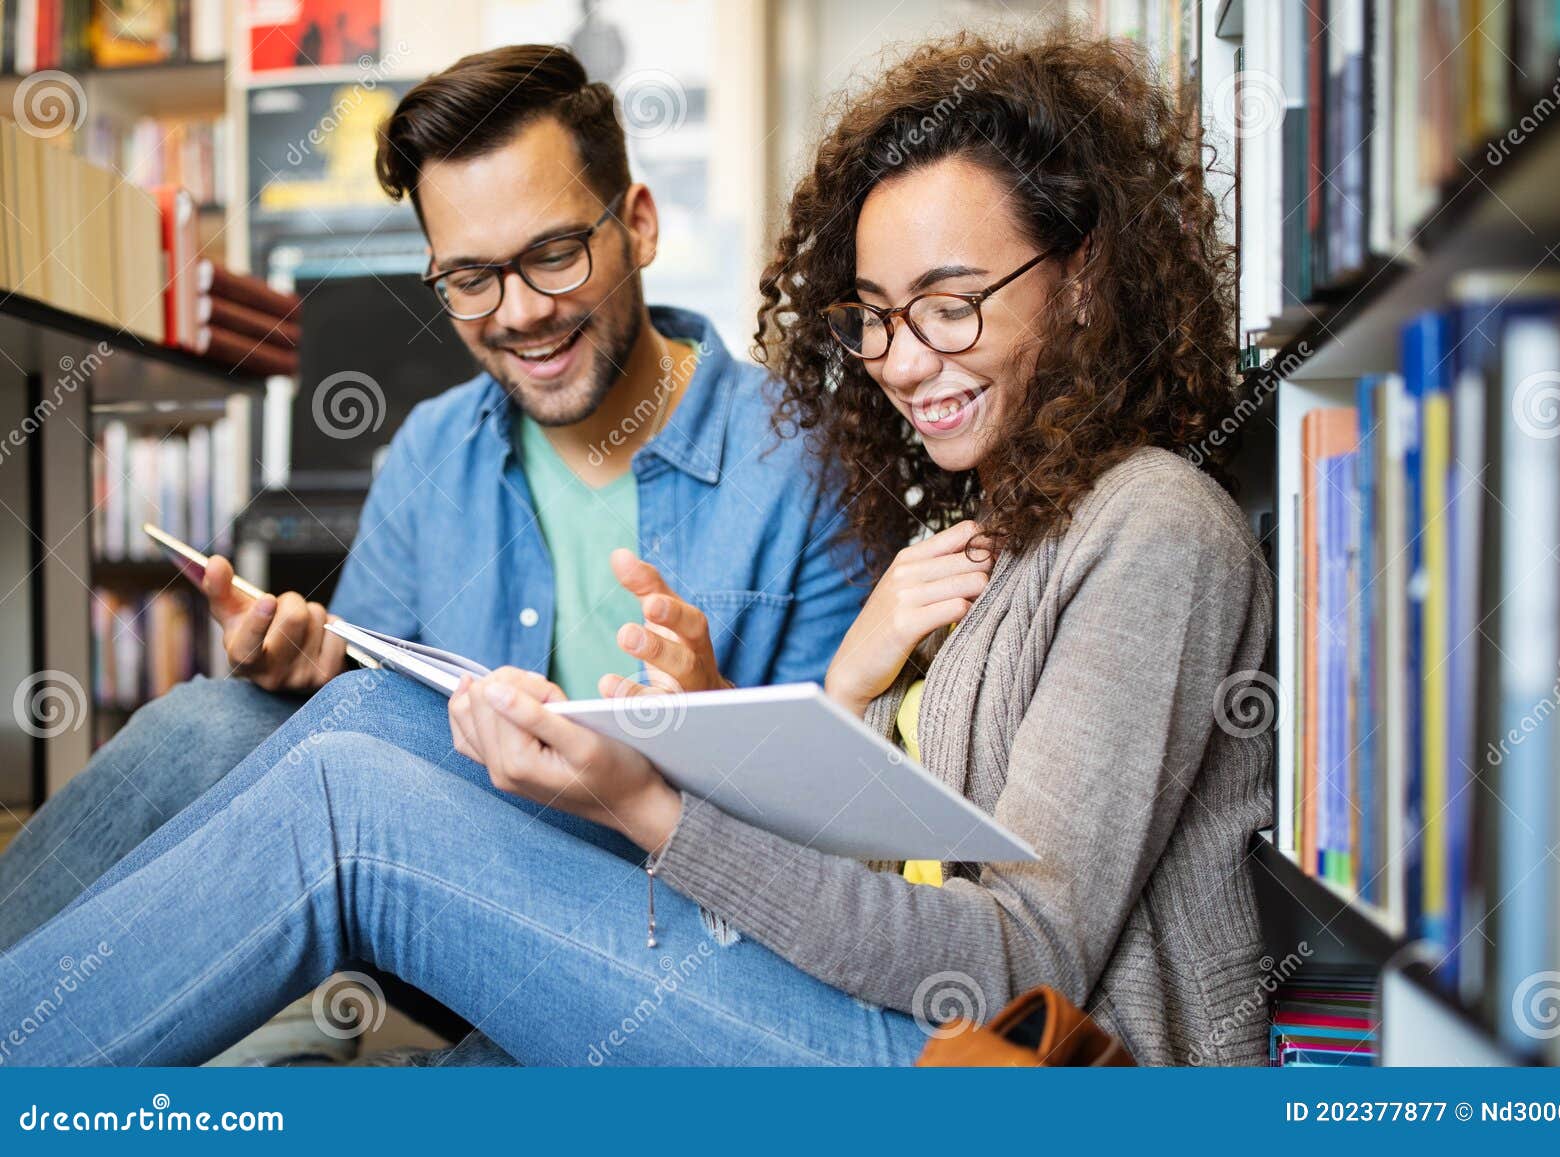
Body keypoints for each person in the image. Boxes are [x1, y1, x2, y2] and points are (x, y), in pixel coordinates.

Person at [0, 25, 1272, 1067]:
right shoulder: (981, 525)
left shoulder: (1151, 526)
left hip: (971, 1064)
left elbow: (1010, 957)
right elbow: (887, 849)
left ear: (1083, 276)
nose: (901, 361)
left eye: (949, 305)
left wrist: (650, 792)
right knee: (274, 724)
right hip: (838, 983)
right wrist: (847, 683)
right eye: (876, 317)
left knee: (349, 796)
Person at [0, 45, 863, 1059]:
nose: (521, 312)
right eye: (469, 277)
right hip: (437, 889)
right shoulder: (432, 450)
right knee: (210, 724)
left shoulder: (805, 457)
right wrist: (308, 668)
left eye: (554, 253)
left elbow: (844, 836)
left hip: (672, 927)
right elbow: (364, 717)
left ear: (637, 223)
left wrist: (708, 716)